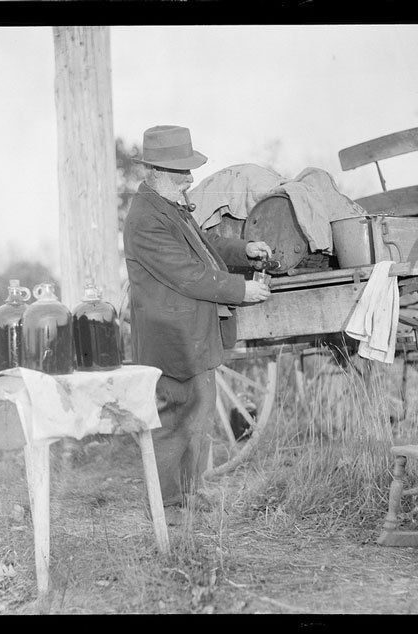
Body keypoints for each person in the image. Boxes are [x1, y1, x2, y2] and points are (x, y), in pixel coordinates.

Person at [123, 125, 272, 520]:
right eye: (182, 171)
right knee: (174, 418)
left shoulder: (169, 205)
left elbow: (205, 248)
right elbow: (187, 273)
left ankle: (191, 491)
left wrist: (245, 250)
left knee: (200, 411)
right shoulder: (145, 219)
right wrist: (241, 291)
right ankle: (169, 506)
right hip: (171, 337)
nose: (190, 178)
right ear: (155, 171)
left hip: (193, 331)